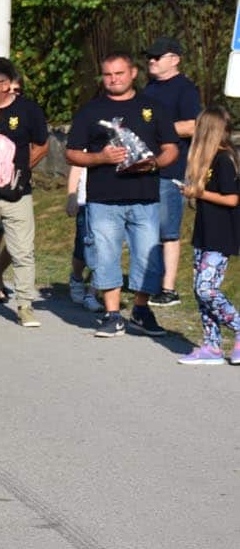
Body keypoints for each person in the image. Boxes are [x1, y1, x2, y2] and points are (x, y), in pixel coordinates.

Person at [65, 51, 179, 338]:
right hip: (103, 199)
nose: (113, 79)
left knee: (147, 257)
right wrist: (101, 158)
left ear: (133, 74)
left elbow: (171, 148)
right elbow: (71, 153)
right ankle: (112, 314)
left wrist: (153, 162)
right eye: (108, 74)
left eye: (119, 73)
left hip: (146, 196)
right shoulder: (90, 111)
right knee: (105, 255)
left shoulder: (153, 107)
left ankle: (140, 310)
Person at [0, 57, 50, 327]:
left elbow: (41, 145)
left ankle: (24, 305)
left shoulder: (29, 110)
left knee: (23, 251)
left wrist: (17, 171)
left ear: (6, 85)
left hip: (18, 195)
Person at [142, 37, 202, 307]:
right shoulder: (149, 88)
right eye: (150, 57)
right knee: (146, 228)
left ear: (175, 59)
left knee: (168, 230)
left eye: (158, 56)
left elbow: (192, 125)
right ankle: (148, 282)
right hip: (146, 168)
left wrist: (159, 130)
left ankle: (169, 289)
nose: (151, 61)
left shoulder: (185, 89)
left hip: (172, 169)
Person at [177, 107, 240, 364]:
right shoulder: (208, 159)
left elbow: (232, 198)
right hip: (204, 232)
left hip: (221, 235)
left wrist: (198, 193)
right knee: (199, 290)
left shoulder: (224, 159)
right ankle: (212, 346)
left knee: (206, 288)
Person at [66, 162, 102, 312]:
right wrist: (72, 197)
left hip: (110, 203)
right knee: (83, 248)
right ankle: (76, 278)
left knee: (104, 249)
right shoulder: (90, 140)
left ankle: (92, 294)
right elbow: (77, 167)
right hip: (86, 203)